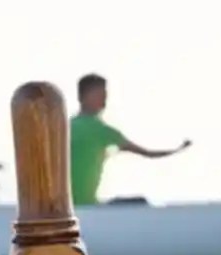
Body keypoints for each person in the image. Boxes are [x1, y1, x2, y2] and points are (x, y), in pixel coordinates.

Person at [69, 73, 191, 207]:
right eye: (100, 96)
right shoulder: (101, 130)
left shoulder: (63, 127)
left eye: (105, 96)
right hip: (86, 207)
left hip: (68, 208)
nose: (104, 102)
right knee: (141, 204)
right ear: (82, 97)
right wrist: (178, 149)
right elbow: (148, 153)